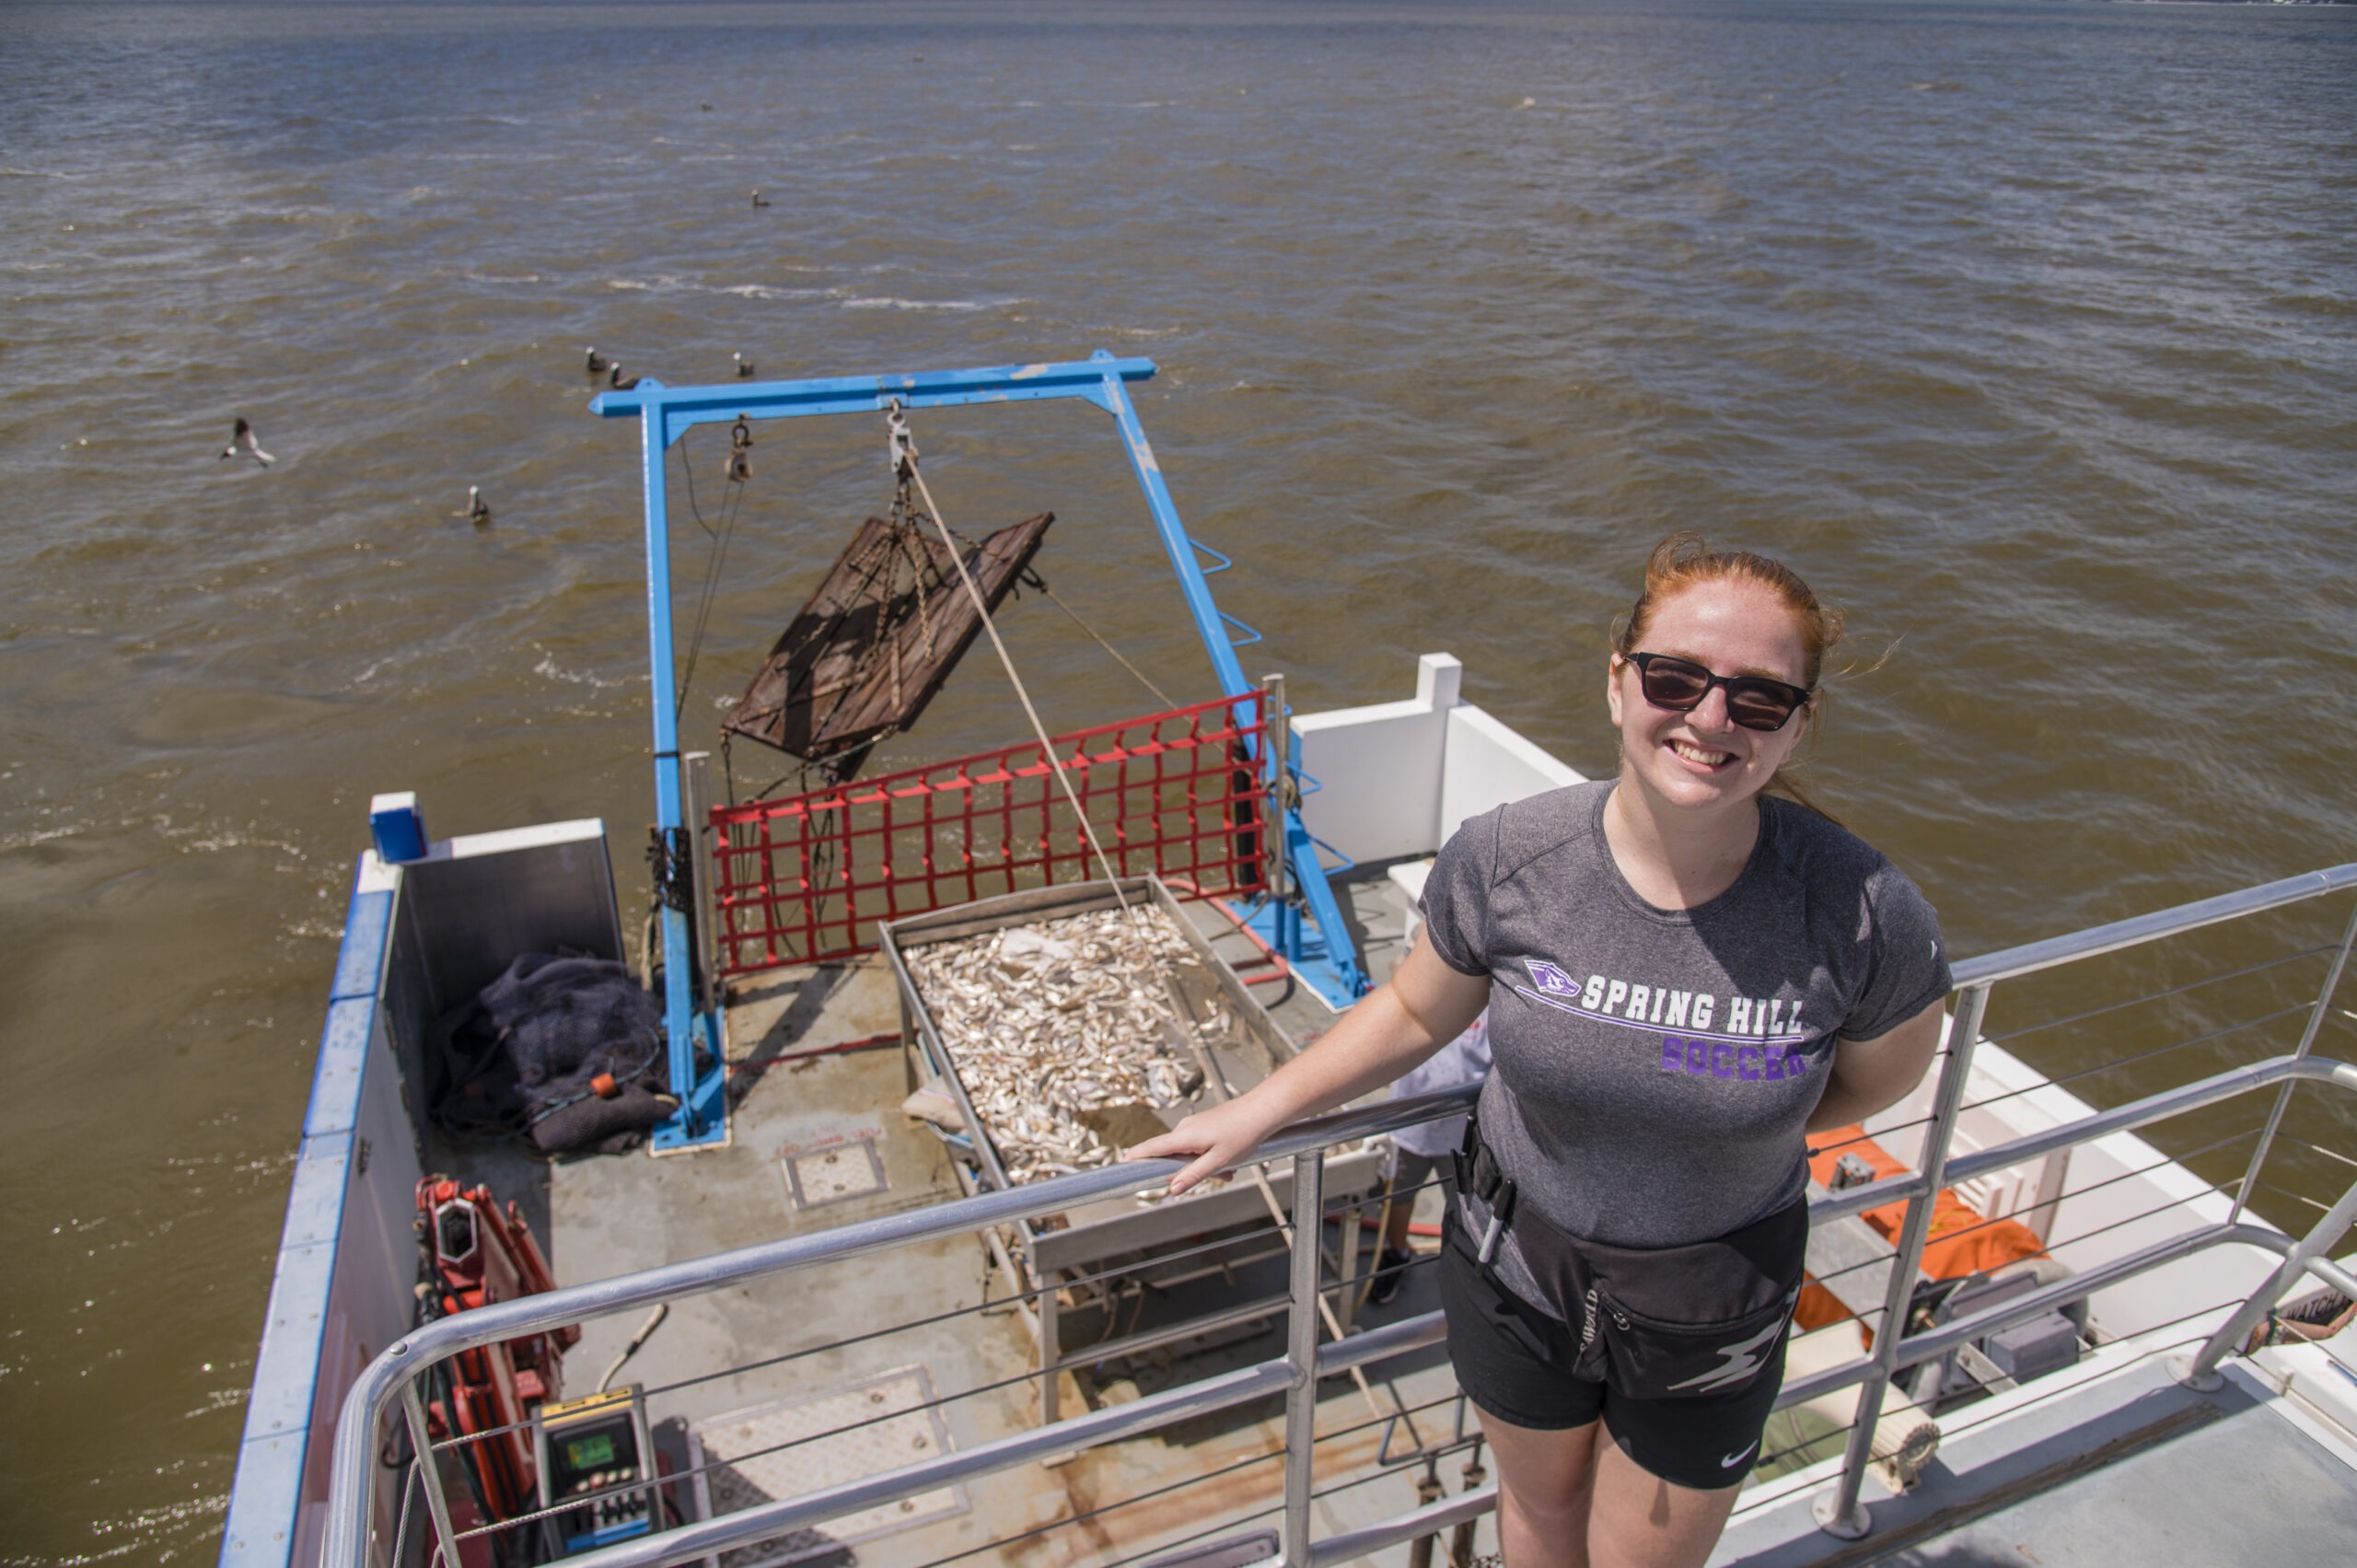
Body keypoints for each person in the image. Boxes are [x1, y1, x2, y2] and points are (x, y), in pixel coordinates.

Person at [1129, 533, 1951, 1568]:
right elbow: (1417, 1013)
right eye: (1676, 677)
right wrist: (1263, 1108)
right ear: (1619, 682)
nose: (1707, 718)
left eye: (1756, 698)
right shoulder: (1509, 856)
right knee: (1538, 1514)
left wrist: (1709, 1127)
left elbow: (1870, 1082)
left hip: (1713, 1295)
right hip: (1515, 1263)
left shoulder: (1864, 913)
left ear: (1798, 725)